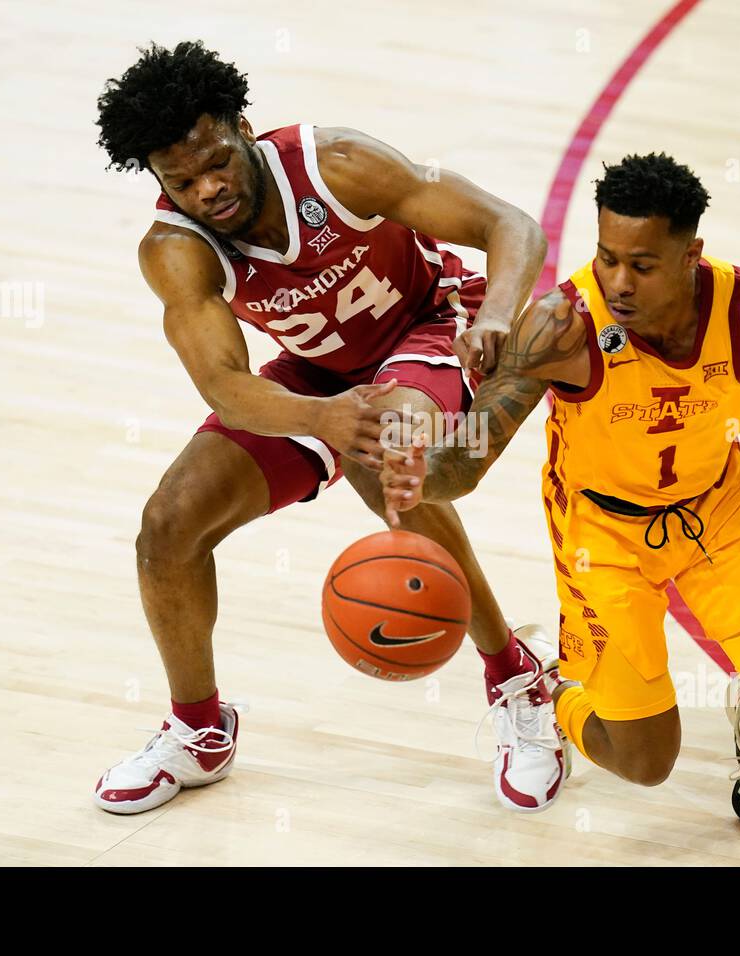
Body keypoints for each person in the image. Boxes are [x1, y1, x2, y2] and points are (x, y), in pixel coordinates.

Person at [91, 41, 565, 814]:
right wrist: (322, 417)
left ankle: (517, 675)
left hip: (428, 321)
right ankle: (199, 731)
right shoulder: (175, 250)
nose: (207, 188)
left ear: (242, 125)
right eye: (182, 179)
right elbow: (227, 387)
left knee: (391, 448)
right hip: (317, 375)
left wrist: (499, 315)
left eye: (217, 161)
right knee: (167, 527)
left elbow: (509, 225)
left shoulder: (337, 165)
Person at [381, 152, 740, 830]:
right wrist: (421, 472)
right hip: (603, 538)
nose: (617, 281)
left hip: (719, 518)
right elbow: (471, 457)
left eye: (641, 265)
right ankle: (555, 691)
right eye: (606, 257)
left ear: (689, 255)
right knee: (644, 762)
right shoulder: (561, 325)